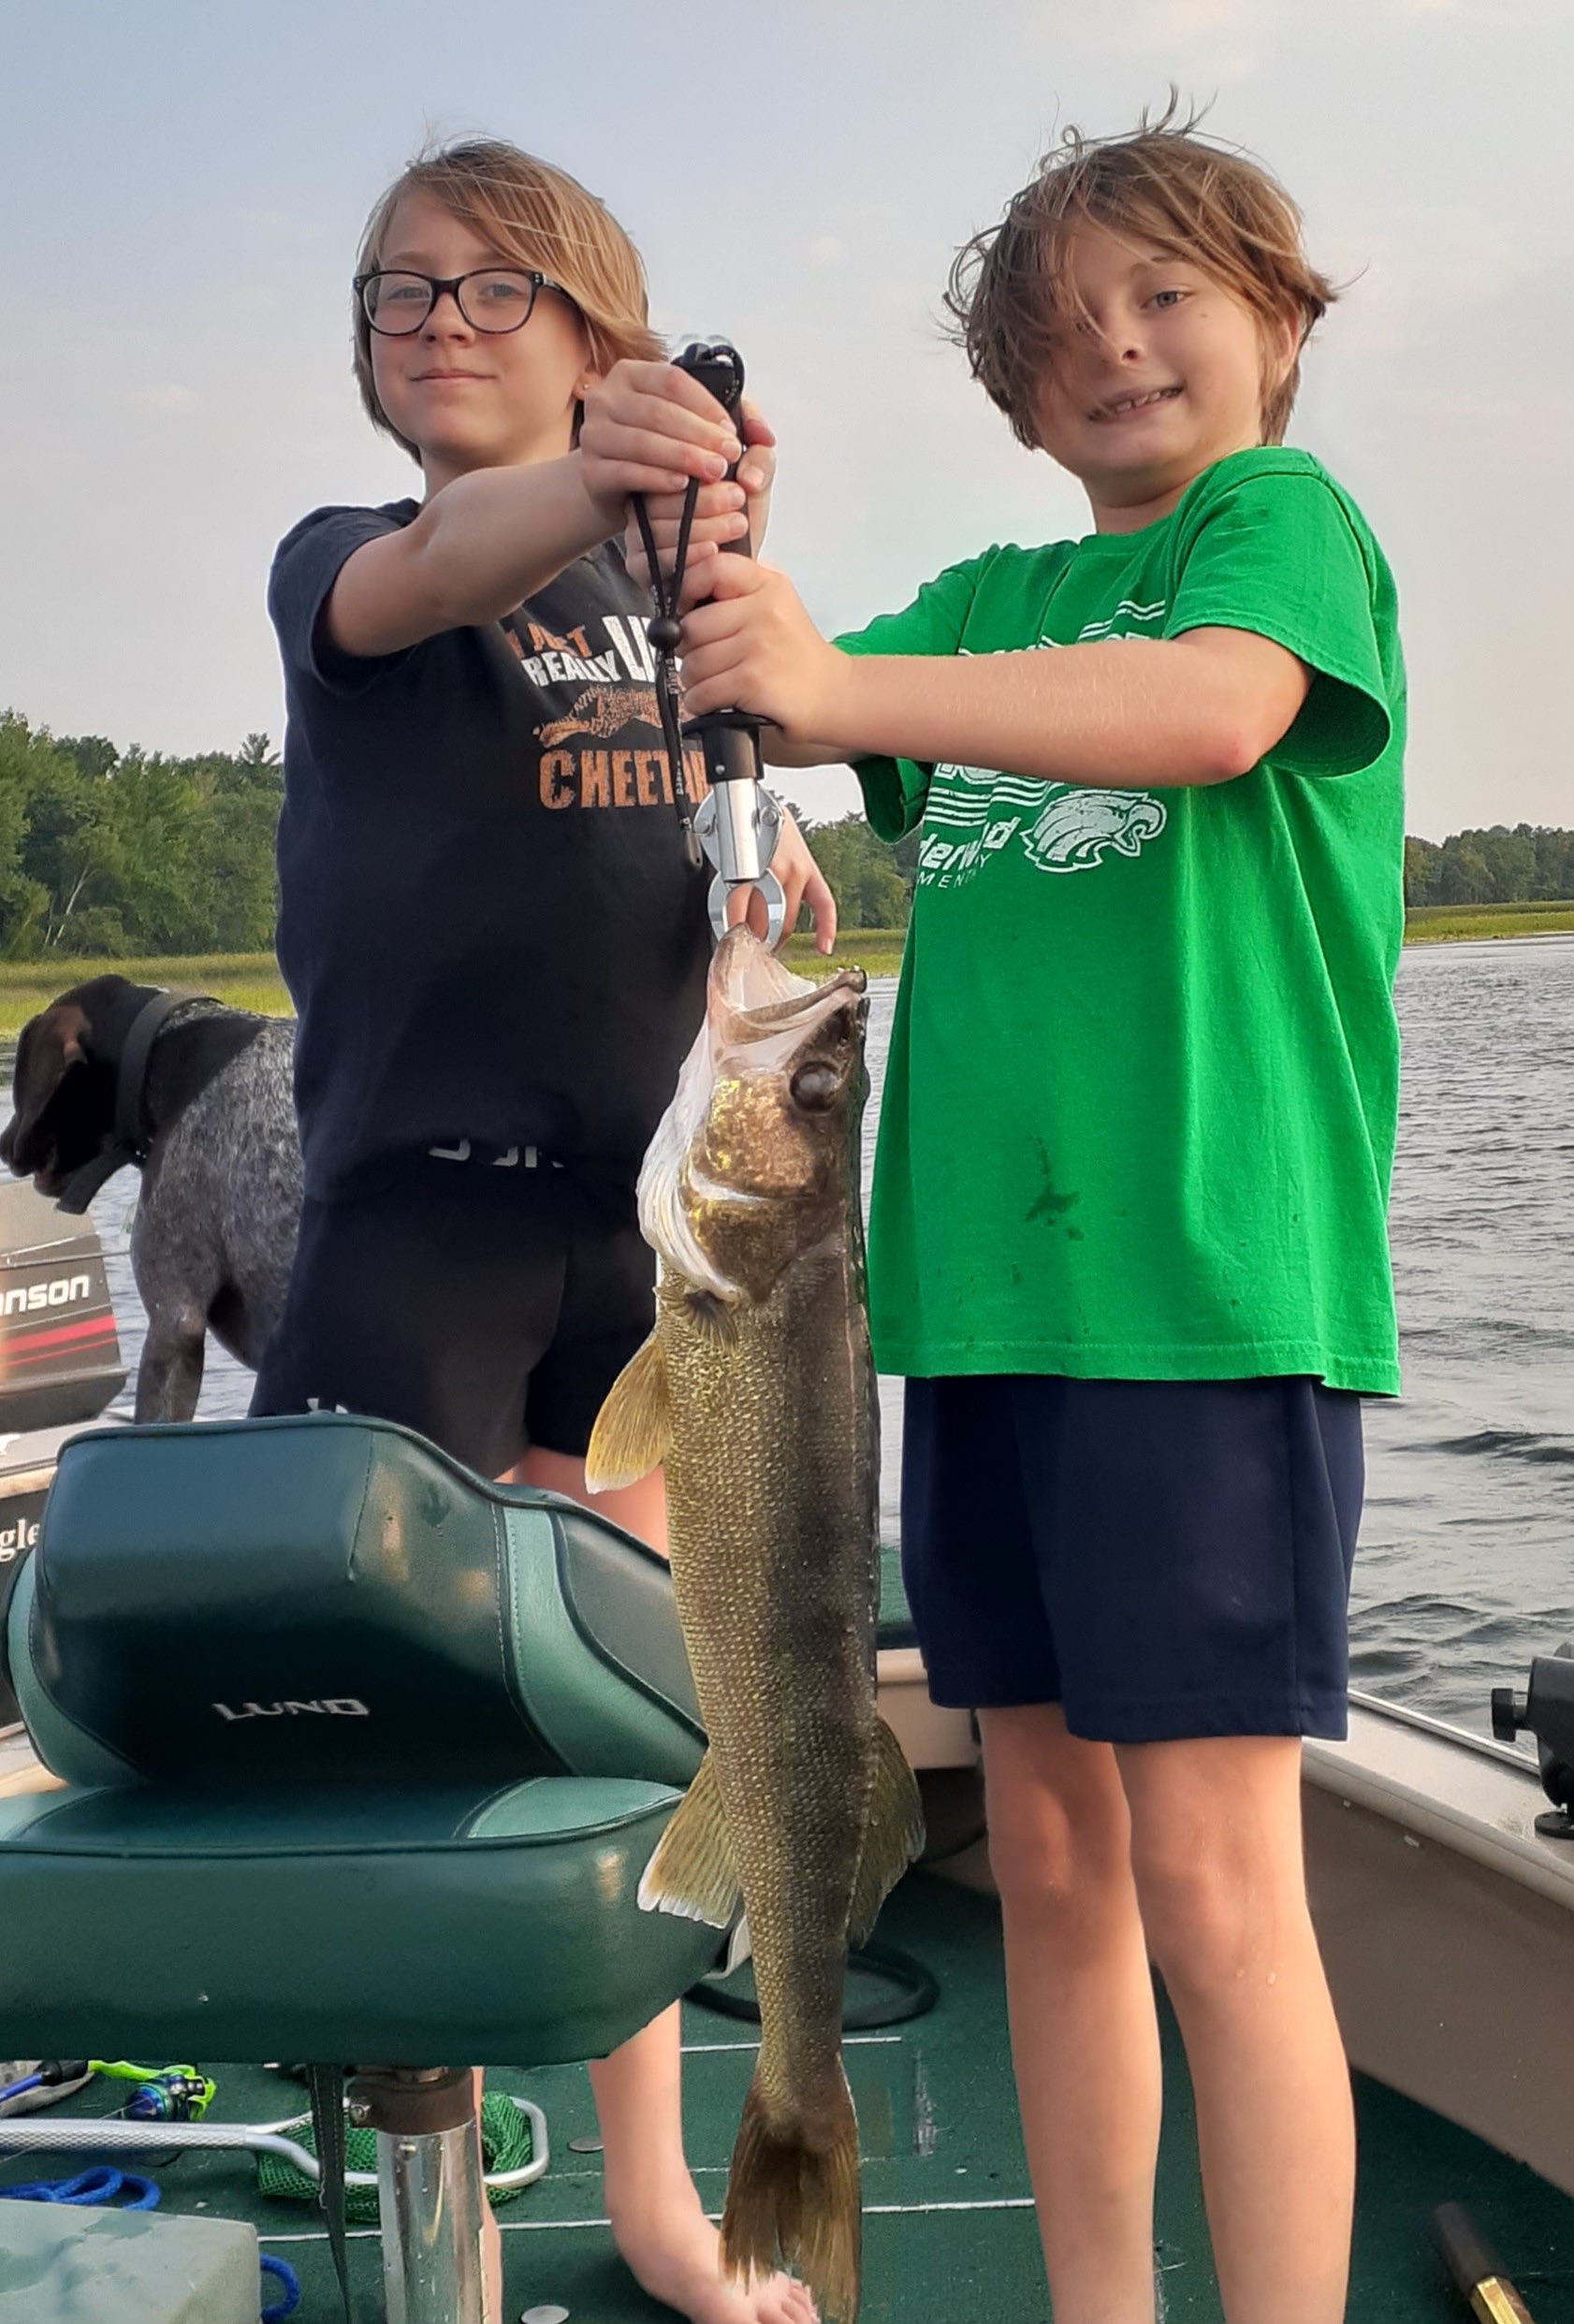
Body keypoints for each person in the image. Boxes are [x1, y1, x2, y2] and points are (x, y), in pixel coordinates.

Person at [630, 107, 1405, 2324]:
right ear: (1010, 395)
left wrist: (830, 683)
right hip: (965, 1319)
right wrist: (731, 560)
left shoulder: (1279, 531)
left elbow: (1211, 714)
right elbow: (783, 701)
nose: (1121, 350)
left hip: (1194, 1296)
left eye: (1168, 296)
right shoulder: (986, 610)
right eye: (1063, 330)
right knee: (1054, 1862)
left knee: (1215, 1883)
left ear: (1276, 324)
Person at [254, 136, 829, 2324]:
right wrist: (612, 472)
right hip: (415, 1240)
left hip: (632, 1236)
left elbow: (702, 861)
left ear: (596, 326)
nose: (430, 320)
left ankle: (667, 2204)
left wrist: (756, 892)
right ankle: (443, 2228)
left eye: (490, 289)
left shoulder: (648, 602)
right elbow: (432, 564)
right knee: (411, 1758)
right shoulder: (365, 561)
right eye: (399, 292)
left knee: (641, 1735)